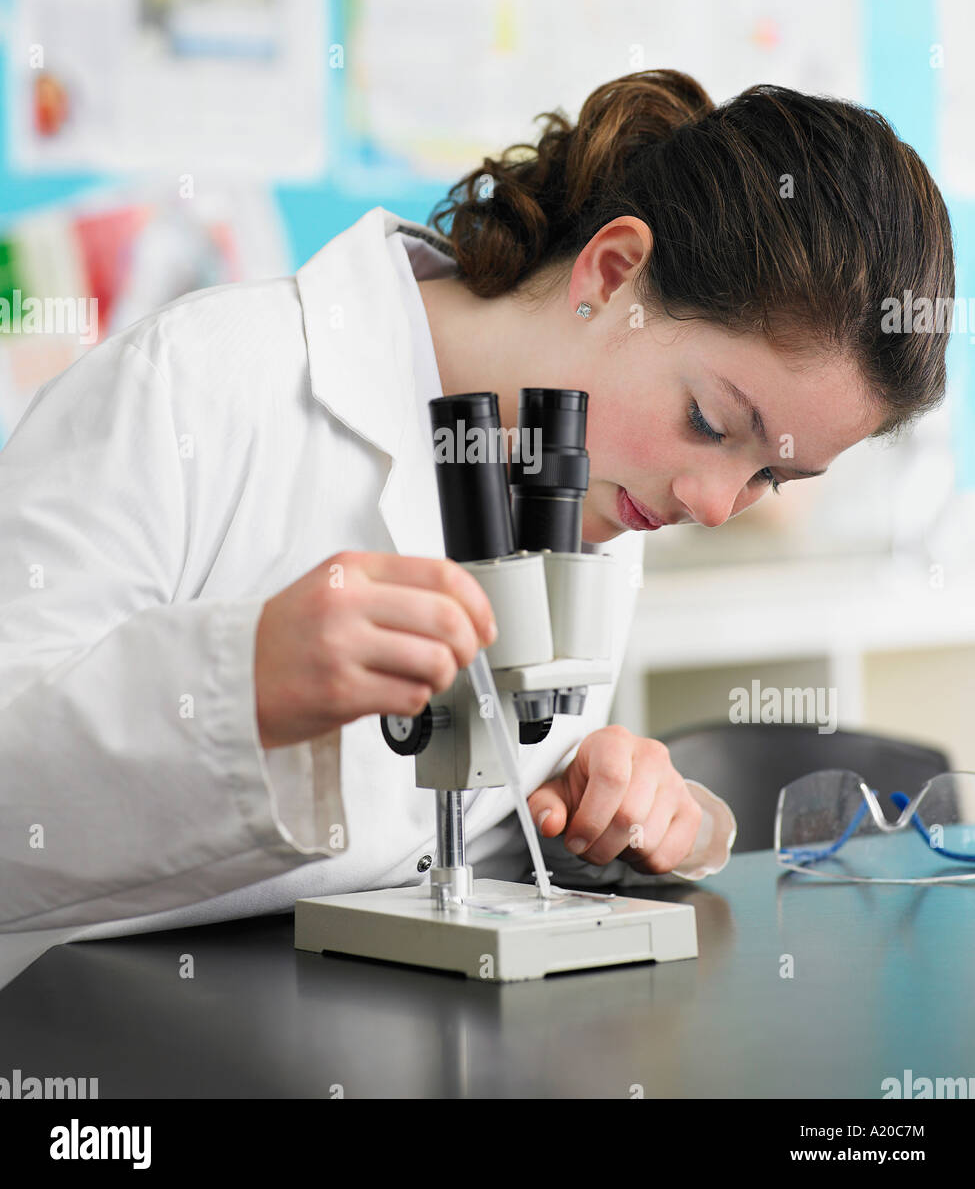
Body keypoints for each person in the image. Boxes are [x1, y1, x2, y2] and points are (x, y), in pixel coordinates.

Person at [0, 68, 953, 947]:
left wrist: (623, 815)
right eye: (709, 420)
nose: (711, 506)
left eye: (770, 478)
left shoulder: (604, 488)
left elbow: (465, 843)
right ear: (610, 274)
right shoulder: (190, 385)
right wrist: (237, 686)